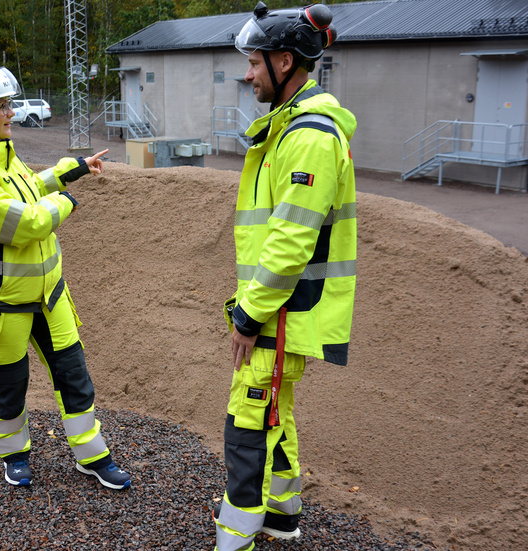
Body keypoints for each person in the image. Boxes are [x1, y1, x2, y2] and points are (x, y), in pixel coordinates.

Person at [0, 62, 131, 490]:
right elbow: (27, 223)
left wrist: (72, 169)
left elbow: (29, 189)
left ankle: (92, 455)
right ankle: (14, 456)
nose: (11, 113)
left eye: (9, 104)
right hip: (2, 303)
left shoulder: (2, 155)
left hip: (49, 296)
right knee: (10, 387)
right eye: (2, 106)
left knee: (74, 378)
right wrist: (67, 201)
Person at [214, 3, 356, 549]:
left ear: (284, 61)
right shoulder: (289, 127)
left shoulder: (308, 136)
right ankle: (281, 514)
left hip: (279, 311)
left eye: (255, 62)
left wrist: (249, 316)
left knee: (247, 425)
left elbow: (291, 241)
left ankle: (236, 537)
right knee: (275, 413)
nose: (248, 73)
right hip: (278, 307)